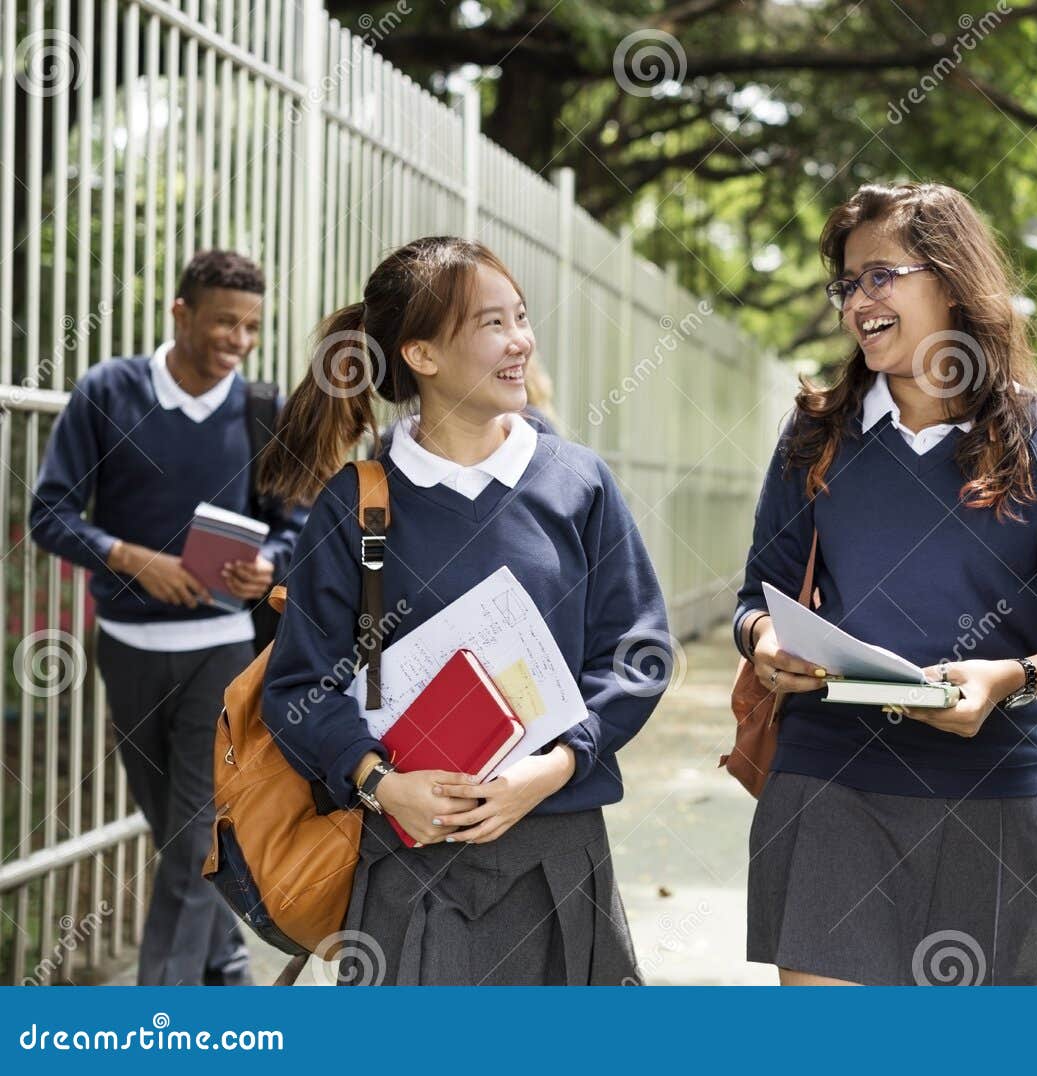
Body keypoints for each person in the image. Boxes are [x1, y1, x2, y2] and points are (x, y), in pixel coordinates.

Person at [734, 182, 1037, 986]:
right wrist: (767, 642)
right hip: (830, 784)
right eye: (847, 284)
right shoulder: (816, 432)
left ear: (950, 279)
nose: (858, 302)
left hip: (993, 793)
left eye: (882, 276)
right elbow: (757, 596)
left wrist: (1009, 679)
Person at [257, 236, 668, 985]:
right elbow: (296, 688)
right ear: (421, 355)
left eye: (520, 317)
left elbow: (637, 654)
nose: (522, 342)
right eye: (492, 325)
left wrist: (557, 766)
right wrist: (380, 783)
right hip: (407, 859)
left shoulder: (579, 484)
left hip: (558, 845)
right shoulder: (356, 503)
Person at [28, 250, 305, 986]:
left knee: (189, 836)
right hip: (125, 647)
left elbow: (295, 522)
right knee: (177, 830)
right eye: (223, 322)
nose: (238, 341)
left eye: (250, 327)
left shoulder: (261, 412)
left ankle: (161, 1022)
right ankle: (224, 961)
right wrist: (132, 557)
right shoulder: (107, 393)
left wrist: (271, 562)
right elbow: (49, 513)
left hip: (222, 653)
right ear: (180, 313)